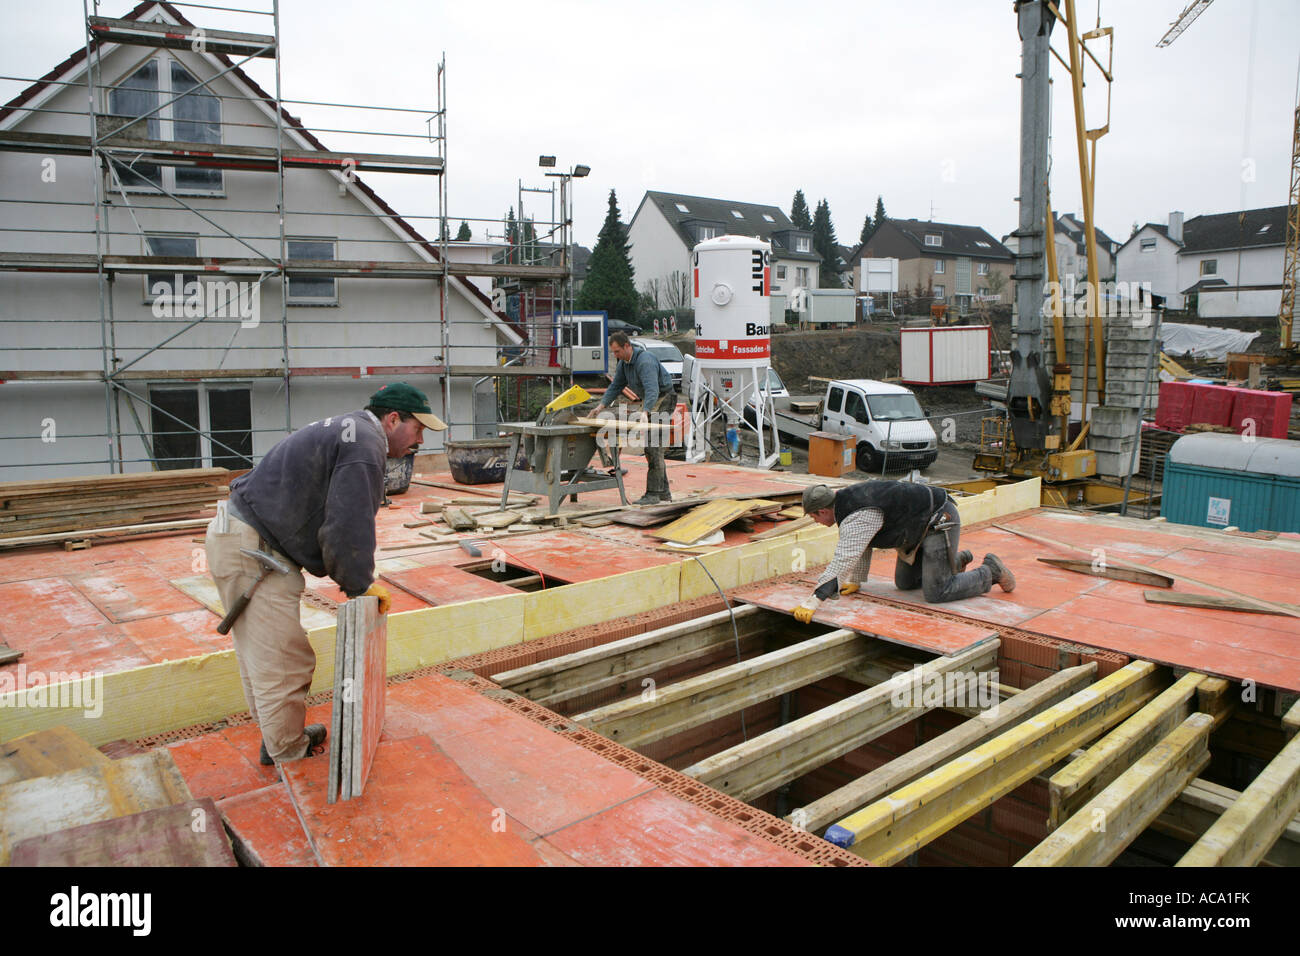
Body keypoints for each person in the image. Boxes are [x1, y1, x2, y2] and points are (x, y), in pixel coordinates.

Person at [204, 382, 447, 765]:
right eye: (418, 429)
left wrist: (356, 579)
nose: (420, 440)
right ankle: (287, 750)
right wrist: (359, 585)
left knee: (261, 652)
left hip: (242, 537)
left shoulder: (354, 430)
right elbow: (347, 524)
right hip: (253, 550)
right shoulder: (366, 444)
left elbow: (334, 516)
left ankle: (277, 736)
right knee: (283, 658)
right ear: (393, 419)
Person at [792, 480, 1015, 623]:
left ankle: (991, 571)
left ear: (822, 510)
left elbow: (845, 557)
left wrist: (814, 601)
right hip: (916, 530)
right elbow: (862, 543)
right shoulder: (845, 503)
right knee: (905, 583)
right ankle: (953, 562)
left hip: (939, 520)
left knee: (937, 592)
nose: (816, 522)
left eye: (814, 518)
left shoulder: (856, 515)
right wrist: (857, 580)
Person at [592, 331, 677, 505]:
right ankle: (664, 492)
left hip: (664, 398)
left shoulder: (644, 361)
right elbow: (616, 386)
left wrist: (645, 412)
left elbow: (652, 389)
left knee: (653, 448)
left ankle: (653, 494)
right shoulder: (624, 364)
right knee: (654, 450)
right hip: (651, 399)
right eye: (613, 352)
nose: (615, 355)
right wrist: (601, 406)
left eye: (617, 351)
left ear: (627, 346)